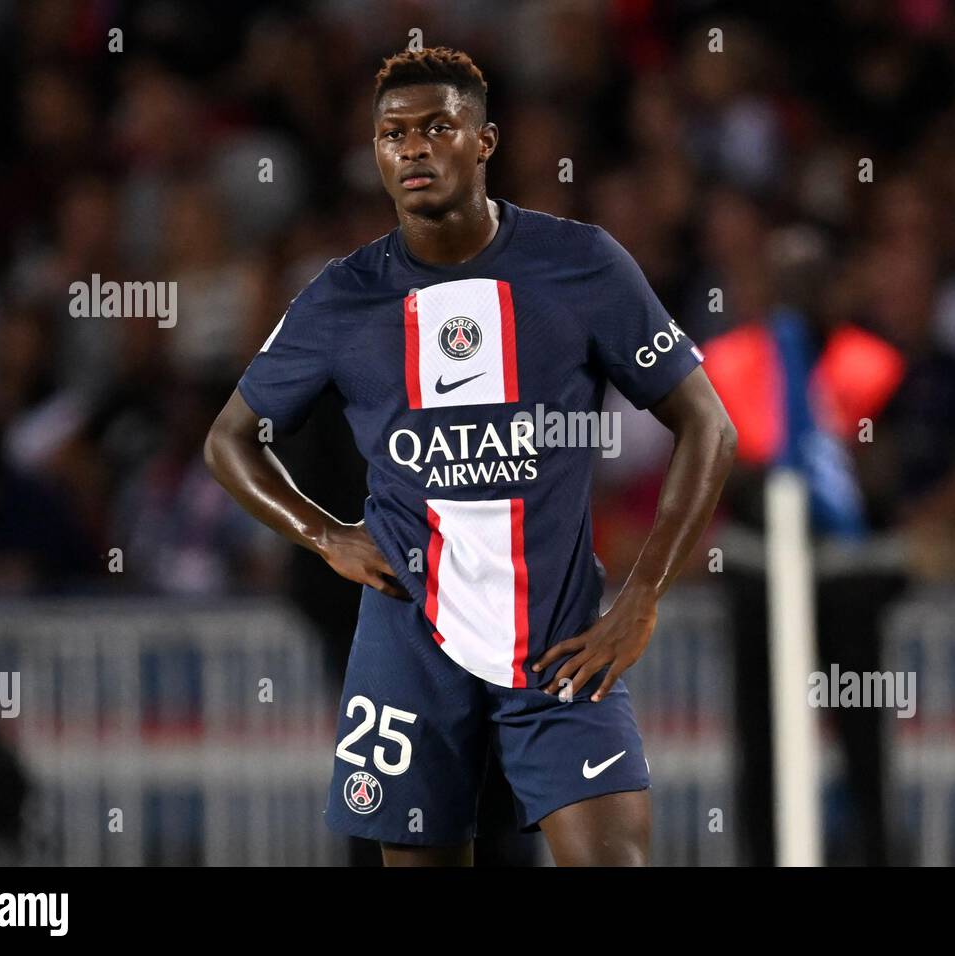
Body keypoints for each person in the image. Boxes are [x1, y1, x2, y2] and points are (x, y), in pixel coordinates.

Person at [203, 47, 736, 866]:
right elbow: (228, 439)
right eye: (392, 134)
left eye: (437, 128)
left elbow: (709, 424)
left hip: (558, 647)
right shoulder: (344, 296)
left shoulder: (580, 263)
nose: (413, 149)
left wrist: (642, 597)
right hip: (409, 649)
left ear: (484, 141)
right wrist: (326, 535)